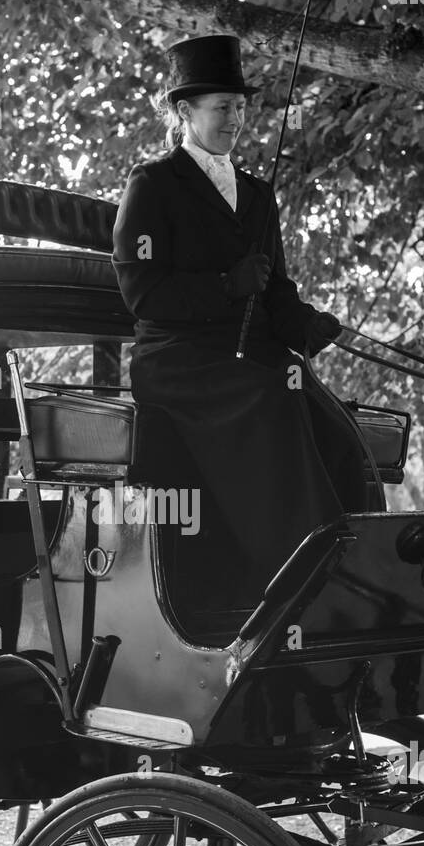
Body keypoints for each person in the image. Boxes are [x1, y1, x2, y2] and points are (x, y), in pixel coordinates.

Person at [112, 33, 370, 603]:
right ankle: (298, 570)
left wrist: (305, 326)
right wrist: (226, 287)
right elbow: (142, 294)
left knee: (333, 419)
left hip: (249, 355)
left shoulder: (257, 196)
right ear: (185, 111)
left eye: (242, 107)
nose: (237, 119)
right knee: (275, 397)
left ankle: (358, 556)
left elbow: (275, 291)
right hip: (176, 362)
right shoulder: (152, 184)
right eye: (223, 108)